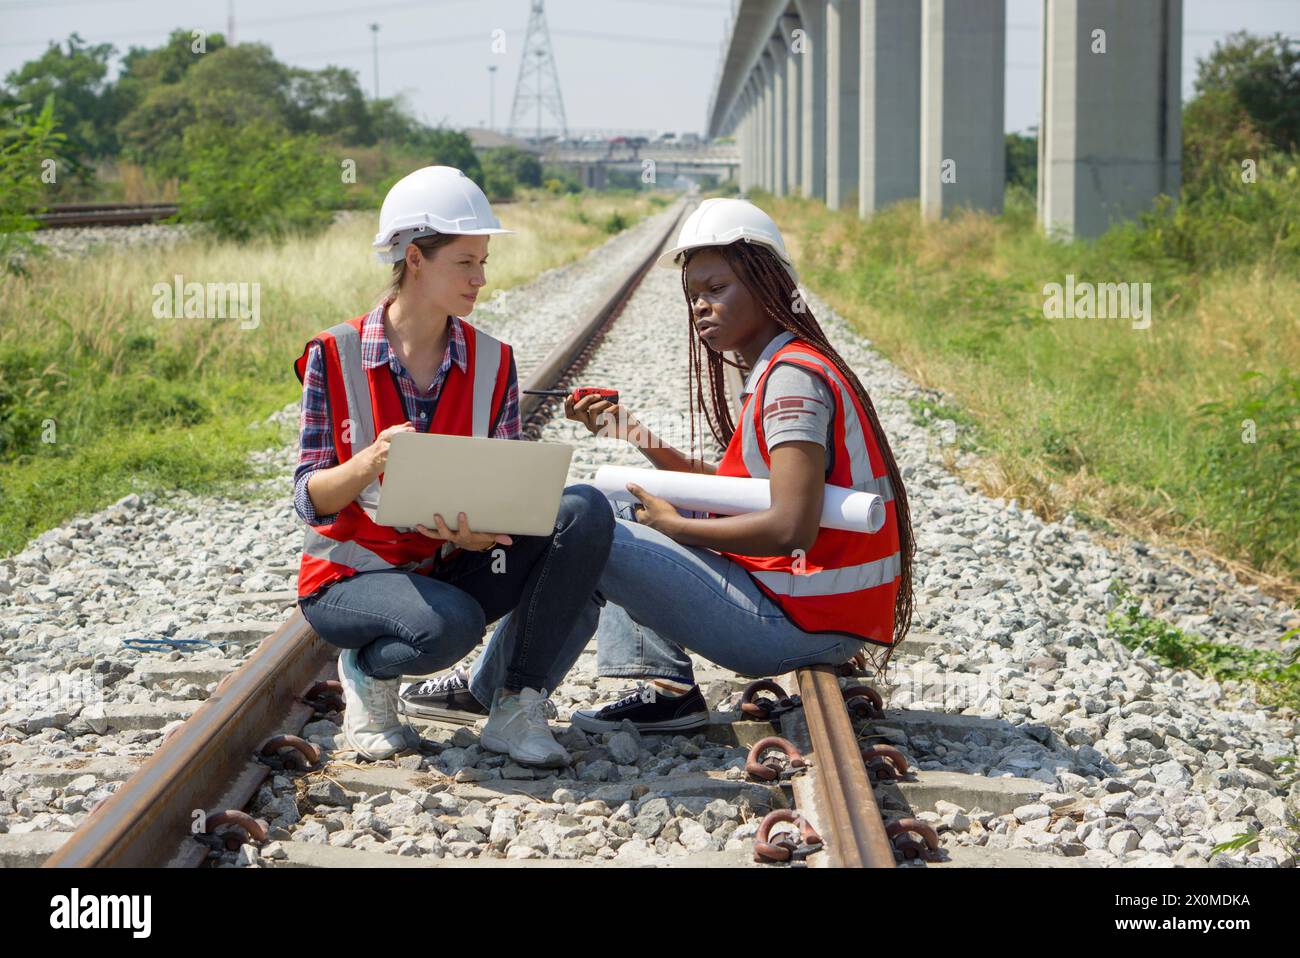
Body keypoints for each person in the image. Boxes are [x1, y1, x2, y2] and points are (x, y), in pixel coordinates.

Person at [293, 166, 613, 765]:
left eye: (484, 261)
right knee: (451, 627)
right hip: (351, 579)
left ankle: (517, 708)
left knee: (585, 511)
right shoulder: (332, 355)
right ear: (415, 257)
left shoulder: (494, 361)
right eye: (465, 262)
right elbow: (310, 498)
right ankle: (366, 670)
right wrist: (372, 460)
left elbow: (509, 482)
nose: (481, 279)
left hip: (451, 560)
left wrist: (489, 525)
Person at [561, 197, 916, 732]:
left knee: (591, 526)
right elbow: (734, 491)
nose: (701, 306)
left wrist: (674, 527)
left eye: (717, 289)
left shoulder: (792, 380)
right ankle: (667, 689)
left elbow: (788, 527)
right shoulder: (782, 364)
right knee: (608, 501)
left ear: (768, 285)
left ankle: (504, 690)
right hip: (815, 612)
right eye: (694, 296)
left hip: (799, 623)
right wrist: (630, 431)